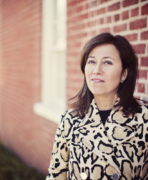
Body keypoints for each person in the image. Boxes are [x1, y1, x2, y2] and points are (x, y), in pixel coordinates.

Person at [45, 33, 148, 180]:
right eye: (91, 62)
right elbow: (55, 176)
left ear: (124, 74)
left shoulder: (144, 118)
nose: (97, 70)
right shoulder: (69, 120)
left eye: (107, 62)